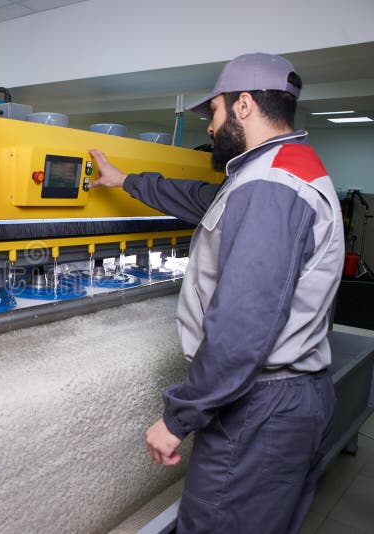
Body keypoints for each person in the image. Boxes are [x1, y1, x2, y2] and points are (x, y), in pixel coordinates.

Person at [88, 53, 344, 533]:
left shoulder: (270, 186)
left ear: (244, 105)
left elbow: (242, 326)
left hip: (261, 409)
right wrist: (125, 181)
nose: (210, 126)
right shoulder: (283, 169)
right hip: (294, 399)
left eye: (217, 112)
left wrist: (177, 418)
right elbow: (203, 202)